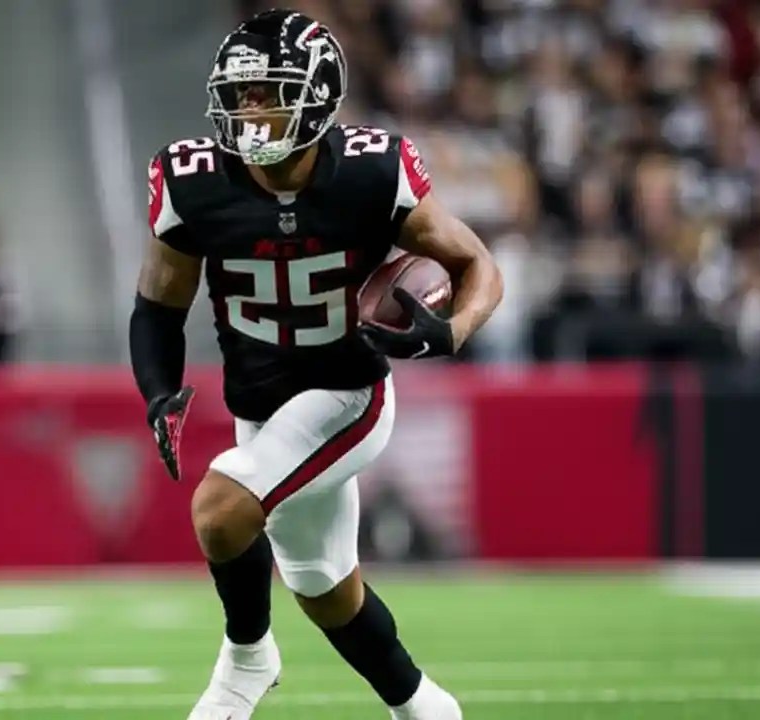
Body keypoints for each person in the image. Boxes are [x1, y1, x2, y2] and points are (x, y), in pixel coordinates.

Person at [128, 10, 503, 720]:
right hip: (260, 405)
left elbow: (477, 264)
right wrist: (157, 390)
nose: (250, 112)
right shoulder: (193, 181)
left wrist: (449, 333)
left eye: (267, 92)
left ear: (318, 93)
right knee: (326, 589)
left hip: (346, 392)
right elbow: (157, 306)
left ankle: (246, 660)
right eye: (239, 96)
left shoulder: (370, 170)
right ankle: (422, 704)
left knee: (220, 510)